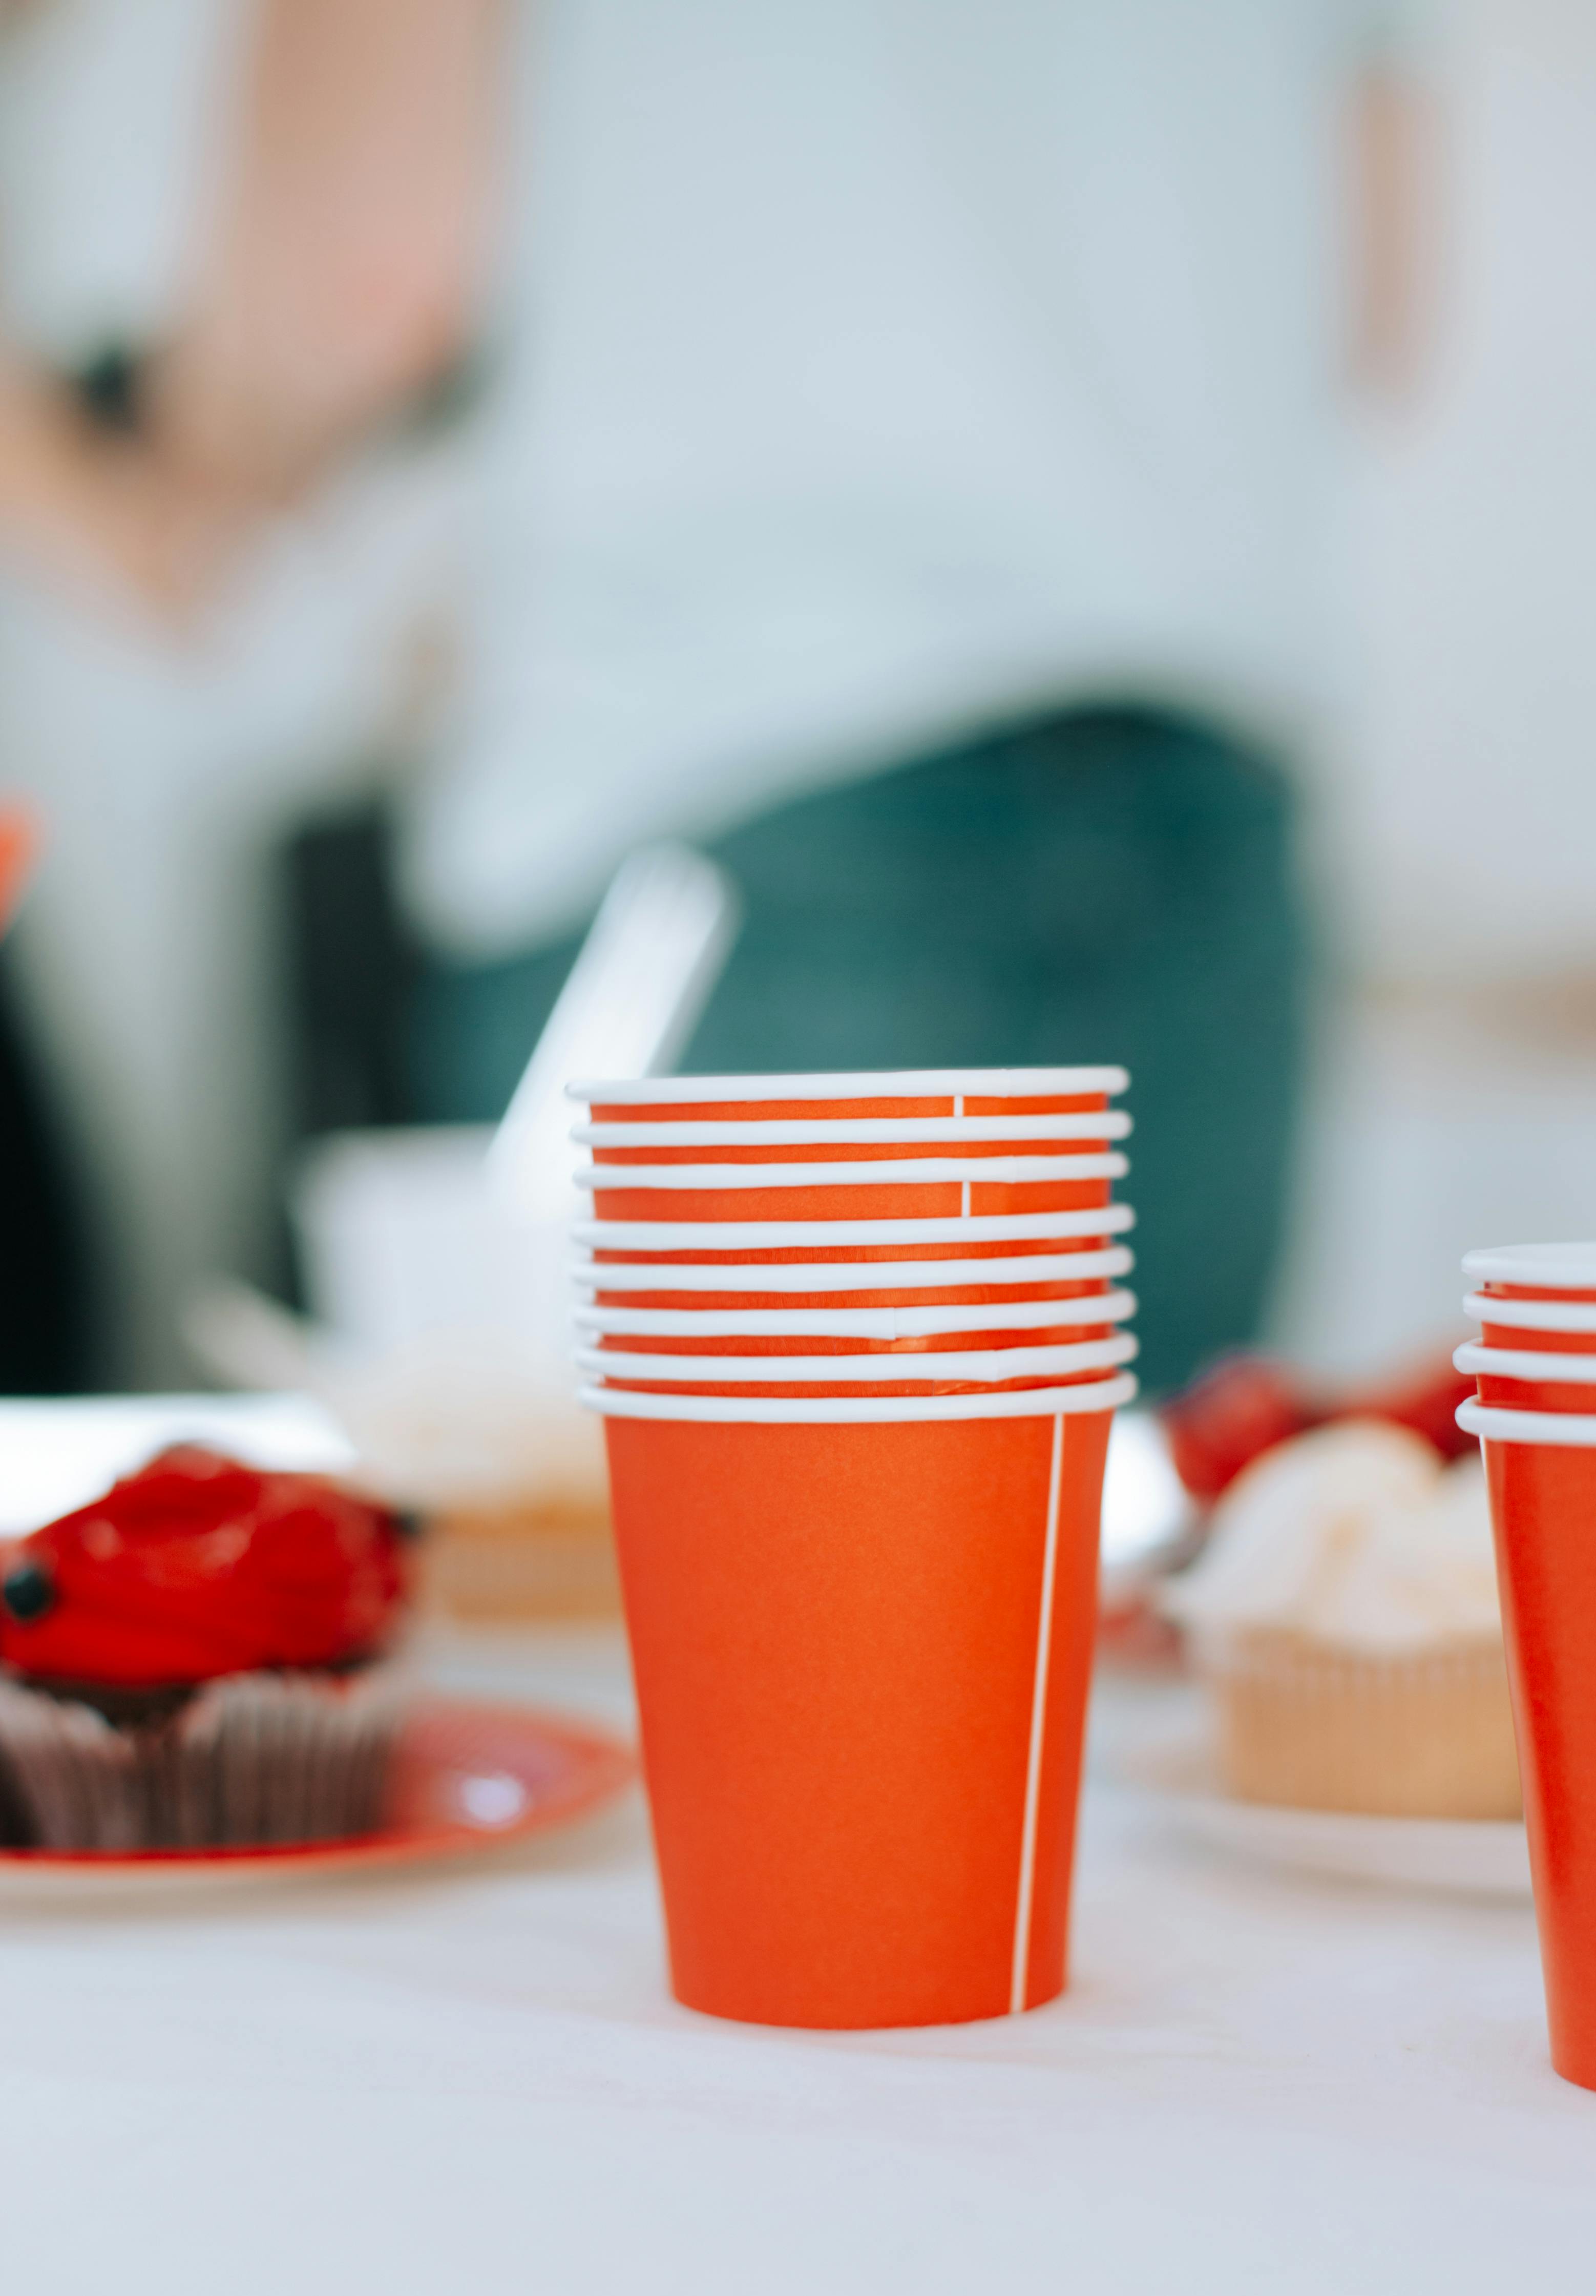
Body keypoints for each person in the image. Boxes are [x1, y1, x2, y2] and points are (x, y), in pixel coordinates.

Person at [59, 0, 1432, 1394]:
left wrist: (147, 469)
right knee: (1115, 1585)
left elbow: (355, 282)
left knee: (652, 1582)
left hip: (730, 793)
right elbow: (1373, 294)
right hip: (1203, 799)